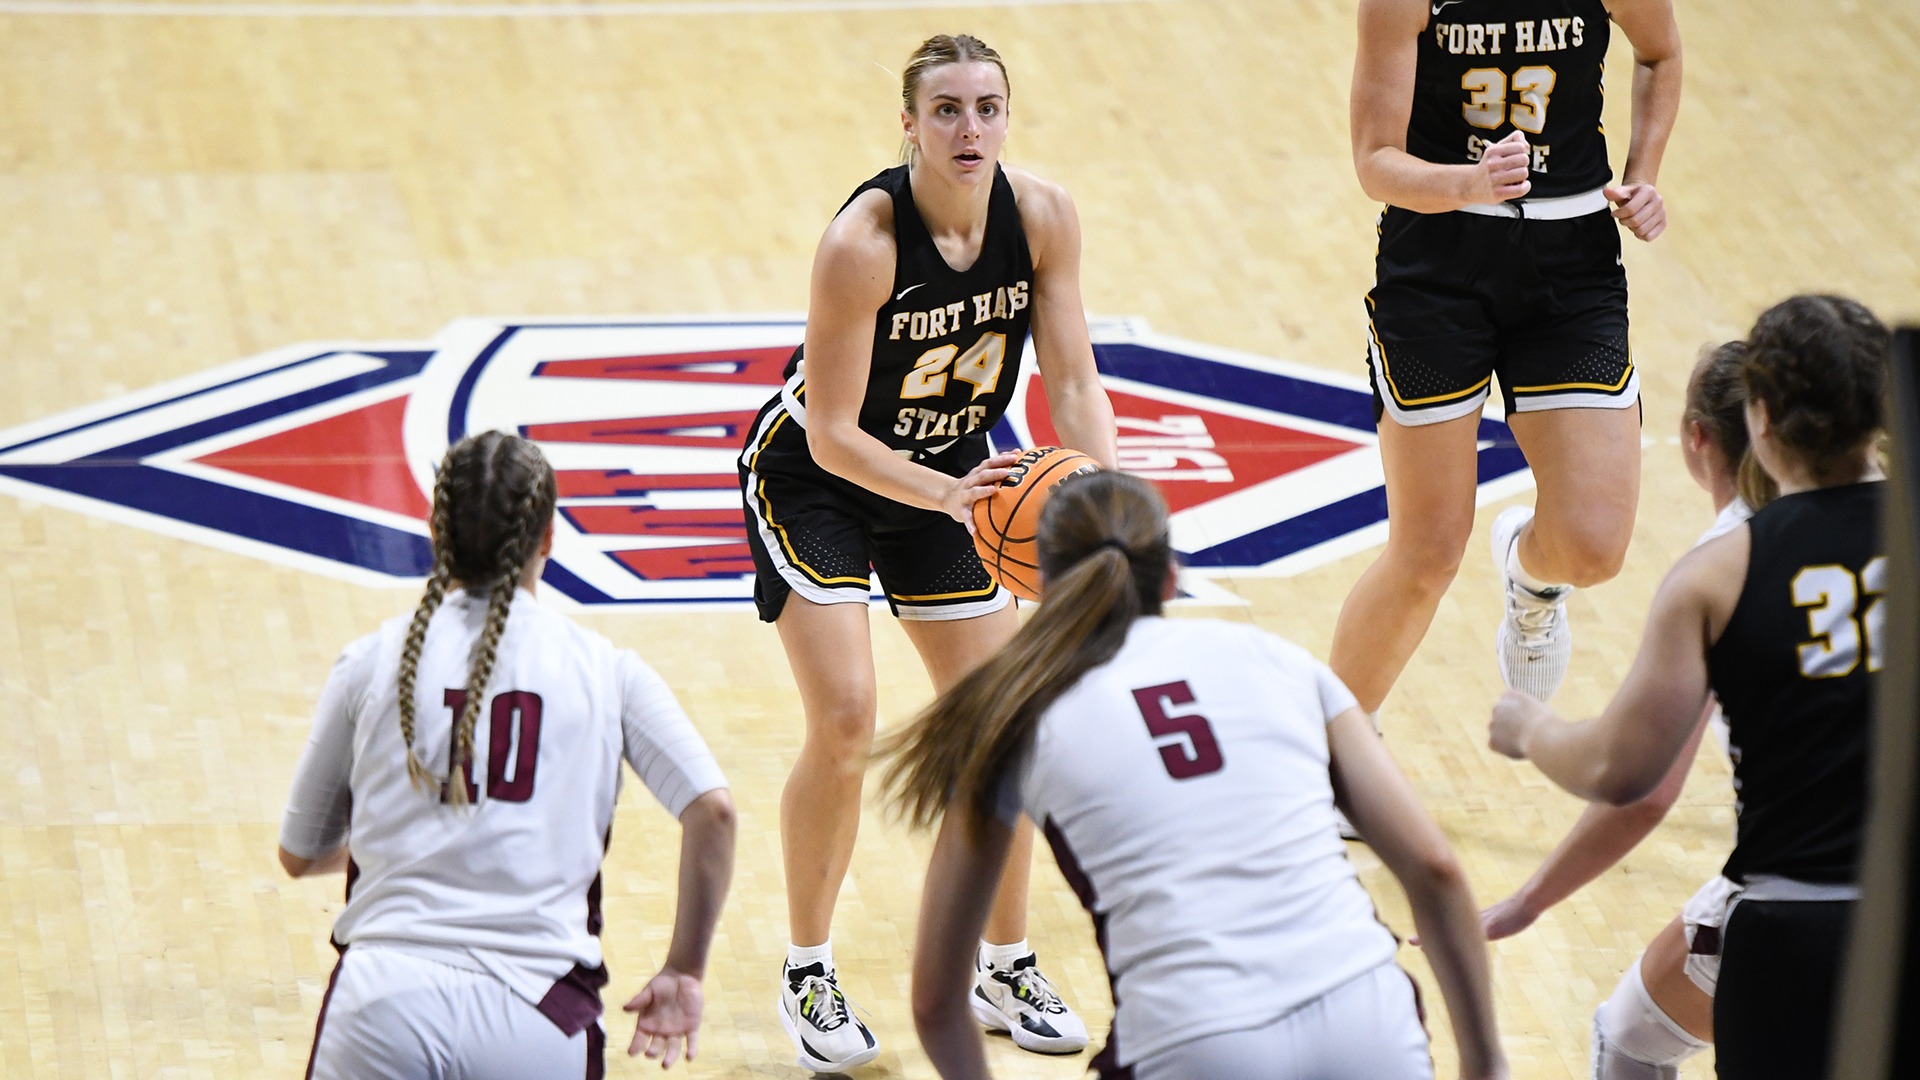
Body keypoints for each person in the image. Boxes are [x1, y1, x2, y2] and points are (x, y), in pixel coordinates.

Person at [736, 32, 1116, 1073]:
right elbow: (832, 432)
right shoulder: (863, 242)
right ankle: (808, 970)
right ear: (907, 123)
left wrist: (1104, 509)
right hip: (821, 482)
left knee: (1003, 723)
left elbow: (1073, 380)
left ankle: (1003, 961)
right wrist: (950, 494)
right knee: (848, 717)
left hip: (954, 484)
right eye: (945, 109)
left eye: (987, 108)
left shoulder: (1040, 217)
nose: (969, 129)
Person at [879, 470, 1508, 1080]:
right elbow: (1435, 870)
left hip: (1194, 1040)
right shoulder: (1278, 659)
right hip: (1368, 1017)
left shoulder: (1013, 720)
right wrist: (1486, 1062)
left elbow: (936, 1004)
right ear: (1173, 577)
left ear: (1033, 580)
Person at [1489, 295, 1889, 1080]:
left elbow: (1624, 775)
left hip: (1796, 922)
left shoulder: (1719, 573)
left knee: (1630, 1037)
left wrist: (1530, 726)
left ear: (1762, 419)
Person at [279, 431, 736, 1078]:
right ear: (547, 538)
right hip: (539, 1015)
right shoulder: (609, 672)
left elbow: (299, 852)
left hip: (381, 1004)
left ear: (436, 535)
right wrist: (685, 969)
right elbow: (713, 812)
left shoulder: (369, 662)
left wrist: (411, 835)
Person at [1335, 0, 1684, 724]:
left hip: (1572, 268)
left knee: (1593, 548)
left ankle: (1530, 578)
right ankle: (1327, 755)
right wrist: (1469, 183)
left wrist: (1642, 174)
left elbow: (1660, 53)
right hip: (1436, 266)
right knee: (1426, 553)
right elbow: (1376, 161)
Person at [1474, 342, 1774, 1079]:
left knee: (1632, 1036)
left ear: (1695, 440)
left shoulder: (1723, 568)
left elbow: (1637, 785)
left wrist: (1528, 896)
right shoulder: (1882, 523)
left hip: (1801, 890)